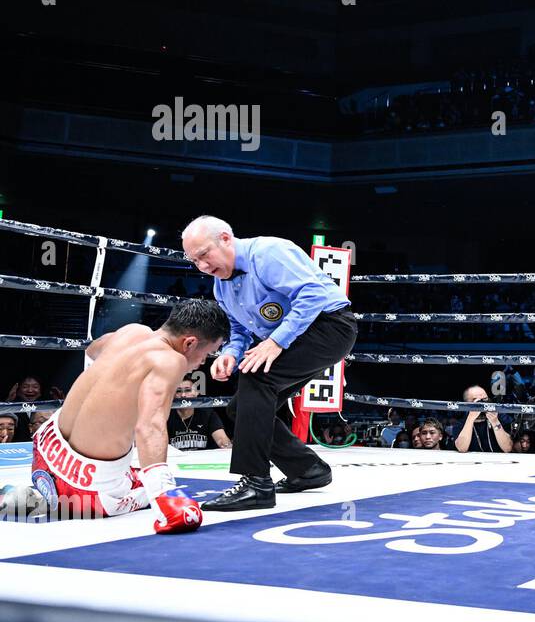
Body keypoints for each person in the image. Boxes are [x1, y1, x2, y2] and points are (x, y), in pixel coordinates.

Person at [0, 301, 228, 531]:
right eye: (207, 354)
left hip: (44, 452)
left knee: (134, 475)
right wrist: (165, 497)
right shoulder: (172, 359)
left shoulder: (133, 331)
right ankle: (37, 499)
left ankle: (28, 496)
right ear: (189, 343)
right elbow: (150, 425)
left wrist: (101, 401)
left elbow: (92, 351)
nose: (201, 363)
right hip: (86, 493)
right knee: (164, 491)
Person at [183, 216, 357, 511]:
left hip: (329, 327)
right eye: (194, 261)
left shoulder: (269, 252)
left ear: (225, 238)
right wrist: (230, 353)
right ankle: (307, 469)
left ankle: (256, 484)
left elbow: (312, 294)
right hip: (298, 336)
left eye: (204, 255)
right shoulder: (221, 287)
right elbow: (239, 330)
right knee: (240, 408)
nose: (202, 266)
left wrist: (276, 342)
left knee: (257, 378)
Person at [166, 377, 232, 451]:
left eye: (188, 390)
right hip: (175, 460)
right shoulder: (166, 415)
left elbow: (221, 438)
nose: (183, 395)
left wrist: (228, 448)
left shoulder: (207, 413)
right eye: (178, 391)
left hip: (202, 460)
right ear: (173, 394)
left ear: (196, 392)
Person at [454, 385, 514, 453]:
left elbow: (507, 448)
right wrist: (470, 418)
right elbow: (462, 448)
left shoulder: (499, 416)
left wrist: (495, 422)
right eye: (478, 401)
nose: (483, 404)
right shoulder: (461, 421)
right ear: (467, 404)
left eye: (485, 399)